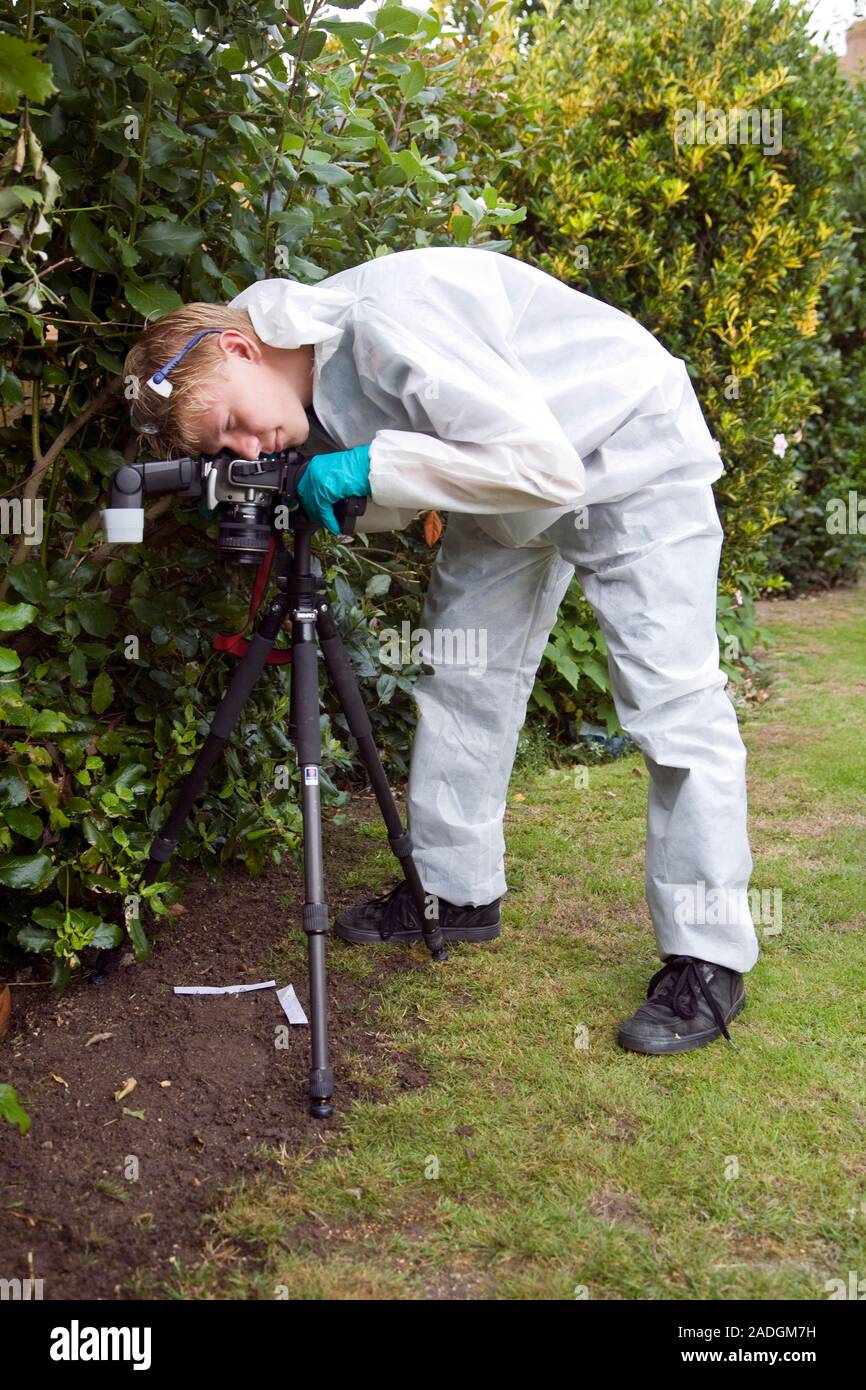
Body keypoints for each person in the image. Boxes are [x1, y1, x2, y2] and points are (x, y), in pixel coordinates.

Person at [123, 245, 759, 1055]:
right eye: (227, 450)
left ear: (241, 348)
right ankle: (455, 894)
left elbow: (541, 464)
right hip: (509, 491)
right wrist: (344, 486)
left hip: (624, 448)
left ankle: (709, 959)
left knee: (673, 706)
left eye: (232, 426)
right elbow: (443, 465)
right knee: (463, 680)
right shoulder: (312, 380)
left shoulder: (388, 319)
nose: (246, 449)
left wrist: (369, 465)